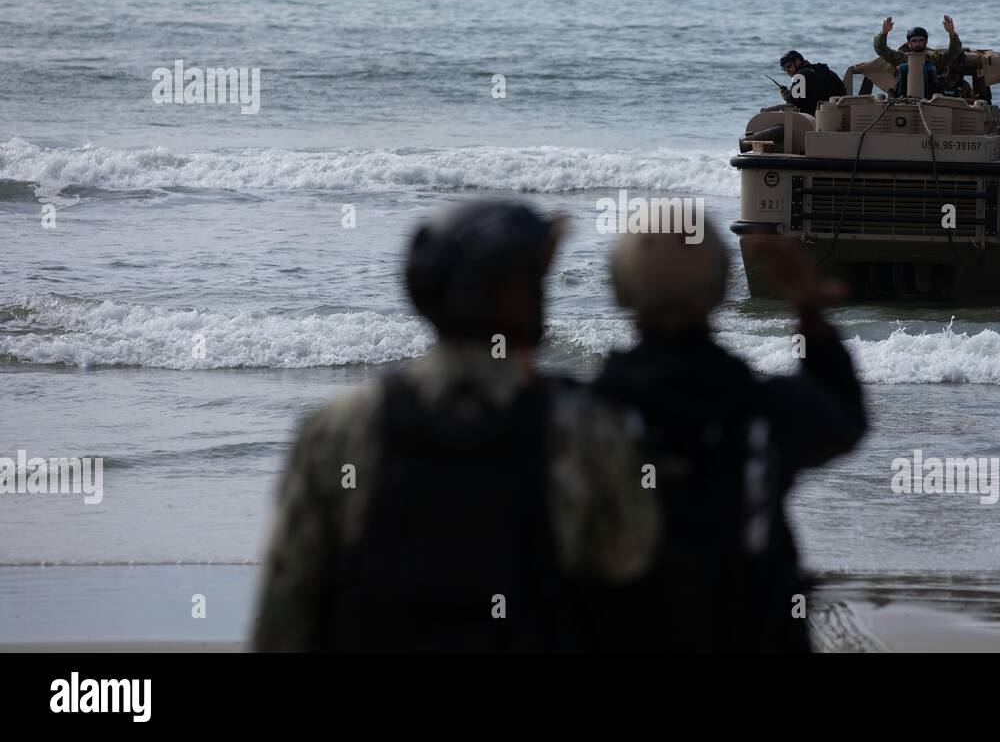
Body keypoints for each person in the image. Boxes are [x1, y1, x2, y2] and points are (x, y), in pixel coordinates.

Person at [252, 201, 659, 652]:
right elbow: (630, 577)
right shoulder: (585, 431)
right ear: (526, 300)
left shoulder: (337, 429)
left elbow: (284, 610)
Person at [590, 223, 868, 652]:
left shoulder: (581, 418)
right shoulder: (764, 409)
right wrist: (808, 308)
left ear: (621, 291)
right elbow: (845, 421)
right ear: (720, 292)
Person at [872, 15, 963, 98]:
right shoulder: (902, 58)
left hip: (932, 101)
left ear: (926, 42)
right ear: (909, 43)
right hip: (903, 99)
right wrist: (883, 34)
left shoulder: (935, 58)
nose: (918, 43)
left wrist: (952, 33)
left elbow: (954, 51)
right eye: (914, 41)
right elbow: (881, 50)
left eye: (921, 40)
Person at [771, 50, 847, 116]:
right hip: (840, 114)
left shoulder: (800, 75)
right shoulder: (824, 71)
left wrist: (787, 98)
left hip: (814, 120)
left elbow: (793, 106)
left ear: (797, 61)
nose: (787, 70)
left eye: (789, 66)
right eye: (784, 69)